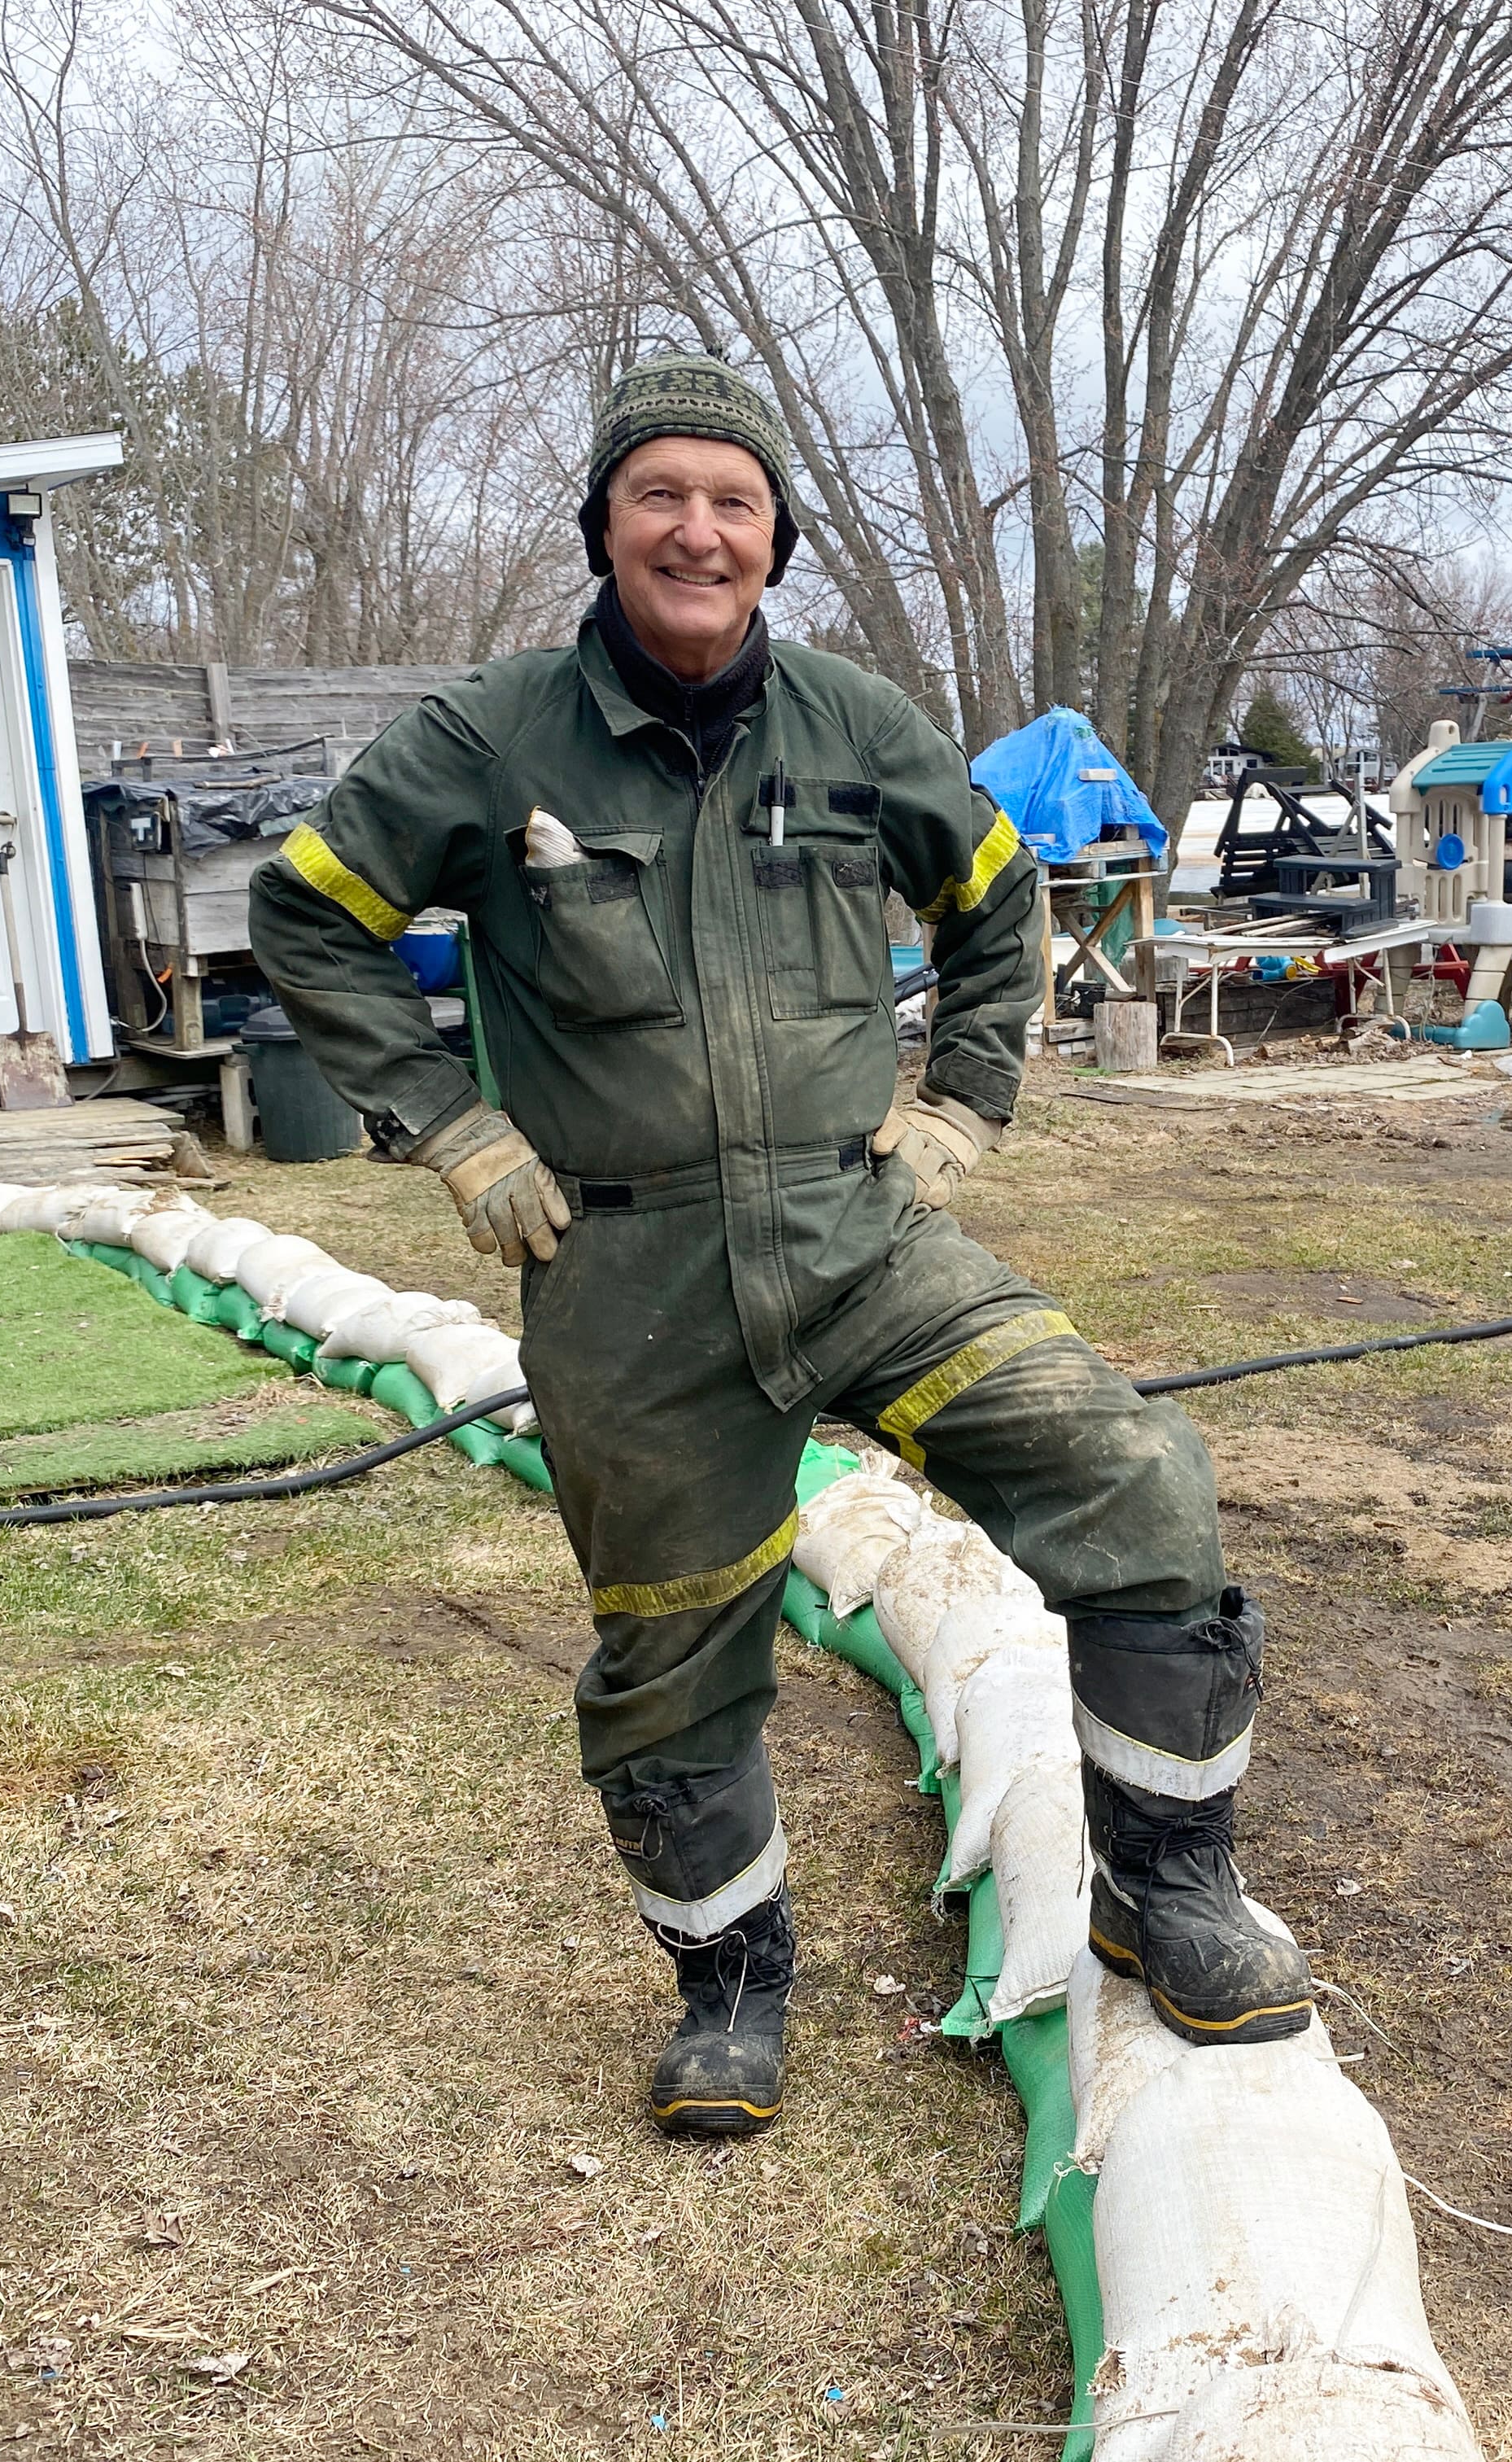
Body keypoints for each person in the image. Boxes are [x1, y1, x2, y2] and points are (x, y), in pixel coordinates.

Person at [247, 354, 1309, 2137]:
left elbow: (997, 897)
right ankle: (730, 1984)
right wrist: (452, 1124)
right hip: (631, 1277)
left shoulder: (856, 724)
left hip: (856, 1233)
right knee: (669, 1657)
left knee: (1132, 1471)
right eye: (660, 495)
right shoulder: (492, 737)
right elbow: (310, 913)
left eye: (733, 501)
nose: (698, 531)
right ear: (603, 527)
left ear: (775, 538)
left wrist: (965, 1099)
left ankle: (1168, 1888)